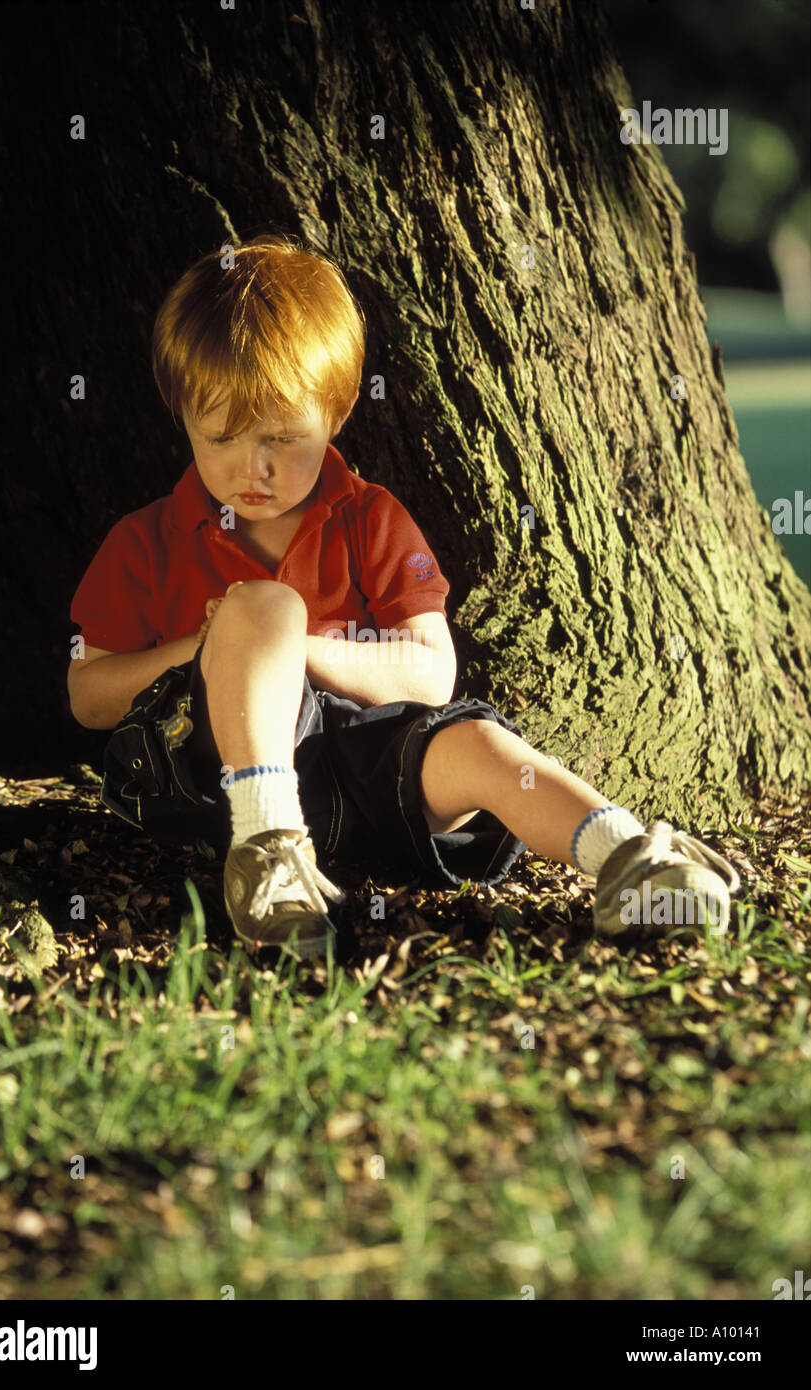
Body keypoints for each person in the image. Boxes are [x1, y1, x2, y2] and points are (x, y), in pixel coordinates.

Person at [68, 234, 739, 959]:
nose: (251, 468)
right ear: (180, 411)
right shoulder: (146, 540)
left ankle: (629, 858)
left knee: (481, 744)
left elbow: (428, 672)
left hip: (362, 768)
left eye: (283, 439)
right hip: (212, 779)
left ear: (338, 412)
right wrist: (215, 647)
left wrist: (298, 652)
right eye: (221, 437)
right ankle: (268, 852)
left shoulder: (369, 519)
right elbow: (89, 695)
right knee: (264, 604)